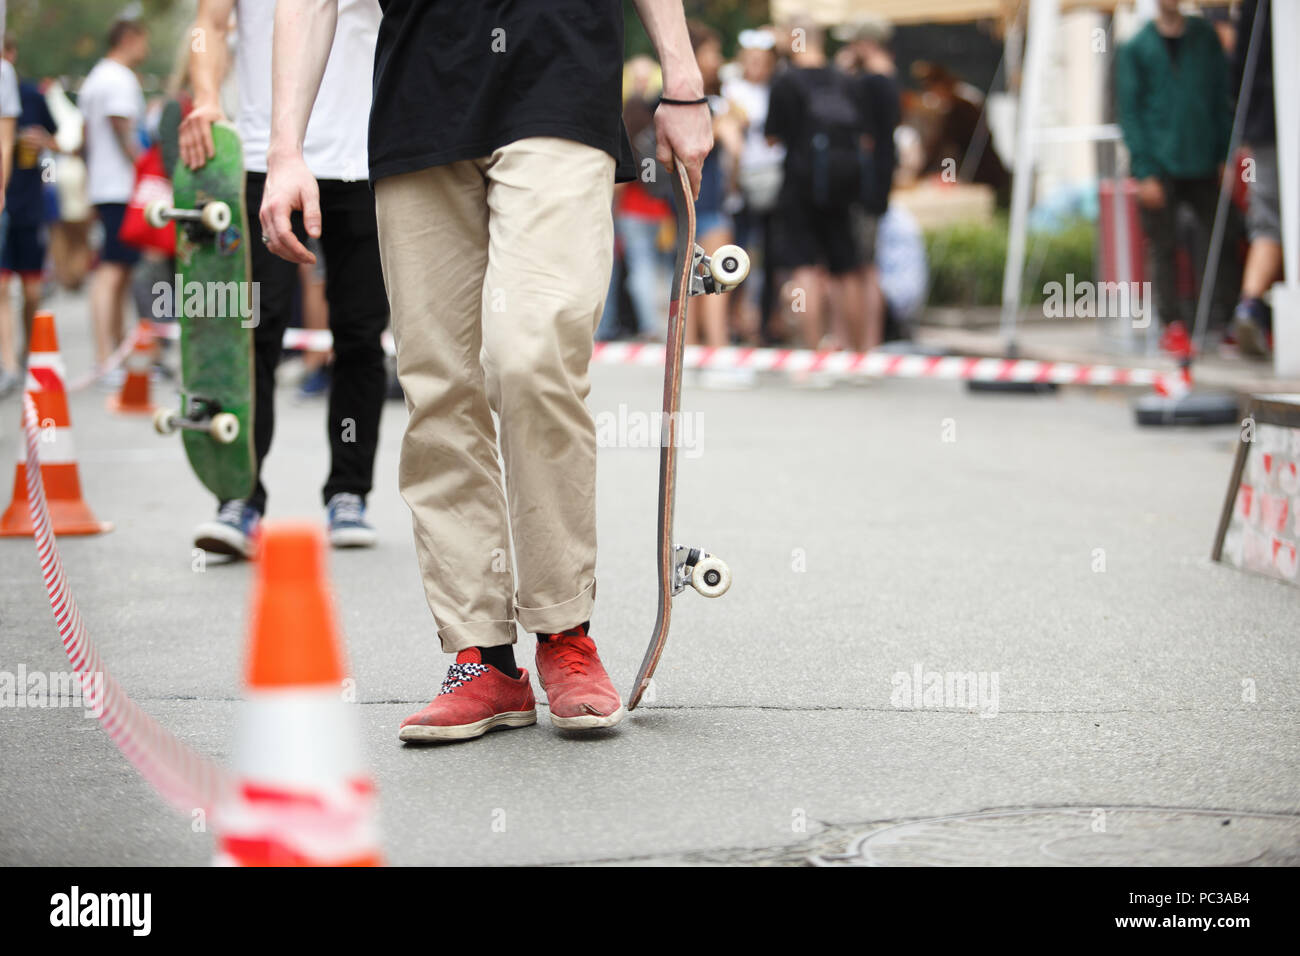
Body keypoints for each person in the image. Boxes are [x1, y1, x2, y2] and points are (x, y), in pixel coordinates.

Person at [262, 0, 711, 741]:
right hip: (418, 101)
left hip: (559, 80)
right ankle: (484, 658)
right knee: (440, 385)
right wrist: (286, 149)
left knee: (532, 356)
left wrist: (683, 79)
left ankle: (565, 629)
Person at [180, 0, 389, 558]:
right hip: (262, 160)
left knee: (360, 336)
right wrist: (206, 99)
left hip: (364, 158)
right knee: (254, 330)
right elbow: (209, 25)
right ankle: (239, 496)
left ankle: (349, 493)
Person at [1116, 0, 1237, 338]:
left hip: (1202, 157)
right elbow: (1130, 112)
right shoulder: (1137, 46)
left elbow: (1221, 98)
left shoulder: (1204, 38)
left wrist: (1225, 153)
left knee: (1223, 234)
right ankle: (1173, 325)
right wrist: (1143, 171)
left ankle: (1227, 318)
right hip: (1159, 162)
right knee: (1163, 244)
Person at [765, 19, 866, 351]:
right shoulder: (845, 81)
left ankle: (812, 353)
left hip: (800, 185)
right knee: (846, 270)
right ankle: (857, 354)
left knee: (805, 268)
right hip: (842, 188)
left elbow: (772, 136)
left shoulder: (786, 81)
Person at [78, 18, 148, 372]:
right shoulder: (117, 79)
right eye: (143, 41)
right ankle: (106, 358)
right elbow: (123, 132)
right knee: (111, 270)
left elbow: (84, 137)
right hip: (120, 188)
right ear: (129, 39)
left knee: (119, 270)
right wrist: (147, 172)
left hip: (104, 187)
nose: (146, 50)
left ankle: (116, 352)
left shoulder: (95, 77)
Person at [0, 36, 57, 397]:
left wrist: (45, 149)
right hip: (6, 206)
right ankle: (7, 364)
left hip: (30, 205)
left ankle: (23, 353)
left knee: (32, 290)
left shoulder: (31, 97)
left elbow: (59, 147)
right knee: (3, 286)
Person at [722, 27, 783, 345]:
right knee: (739, 252)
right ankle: (735, 319)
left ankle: (766, 321)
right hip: (744, 185)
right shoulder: (733, 89)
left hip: (774, 181)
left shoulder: (778, 89)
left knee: (771, 255)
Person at [1230, 0, 1280, 359]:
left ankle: (1249, 305)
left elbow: (1239, 70)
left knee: (1267, 222)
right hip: (1277, 123)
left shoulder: (1251, 7)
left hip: (1262, 126)